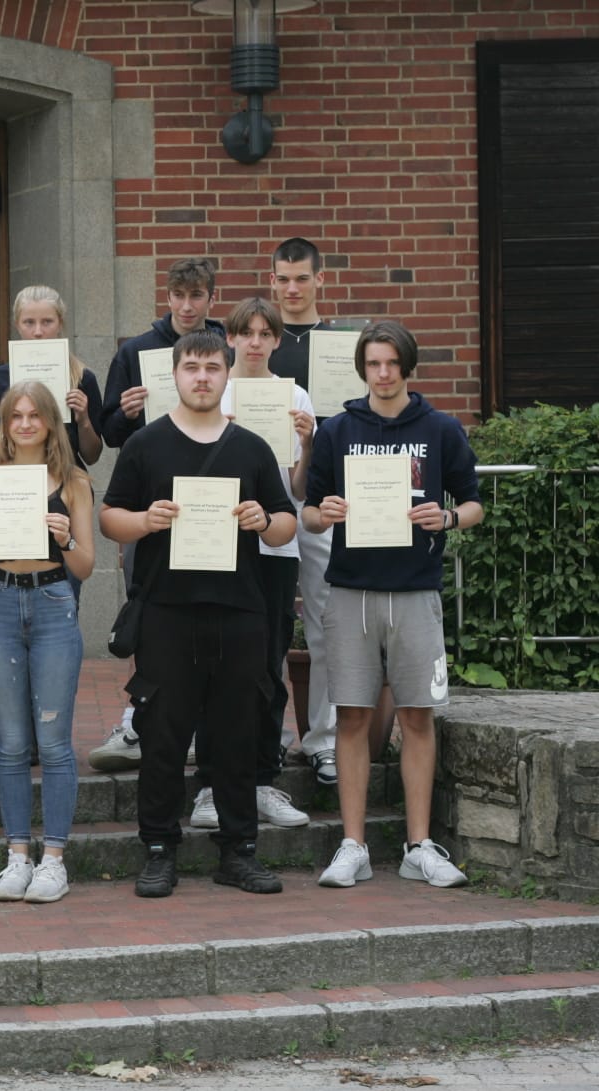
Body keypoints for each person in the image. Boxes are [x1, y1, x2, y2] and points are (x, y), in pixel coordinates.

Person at [98, 329, 297, 899]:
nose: (203, 377)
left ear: (226, 373)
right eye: (192, 367)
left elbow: (285, 524)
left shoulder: (253, 447)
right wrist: (145, 522)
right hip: (166, 610)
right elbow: (111, 515)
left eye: (213, 367)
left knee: (236, 734)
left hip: (239, 611)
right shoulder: (146, 445)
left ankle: (239, 851)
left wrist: (263, 519)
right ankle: (159, 849)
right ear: (177, 375)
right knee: (162, 734)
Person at [305, 321, 483, 890]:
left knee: (417, 716)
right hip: (351, 589)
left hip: (415, 590)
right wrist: (325, 513)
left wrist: (449, 517)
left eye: (391, 363)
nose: (383, 374)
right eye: (374, 364)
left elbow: (474, 503)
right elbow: (308, 513)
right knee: (352, 717)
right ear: (362, 368)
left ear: (407, 365)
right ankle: (352, 844)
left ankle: (418, 845)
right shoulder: (337, 430)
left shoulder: (440, 429)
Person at [89, 256, 223, 774]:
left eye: (198, 296)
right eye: (179, 296)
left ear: (212, 298)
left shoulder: (223, 351)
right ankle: (145, 713)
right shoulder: (135, 351)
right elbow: (108, 437)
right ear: (166, 298)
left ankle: (202, 717)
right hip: (151, 501)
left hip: (213, 504)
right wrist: (122, 410)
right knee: (149, 611)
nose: (187, 306)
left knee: (210, 611)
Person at [186, 297, 315, 833]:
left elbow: (301, 489)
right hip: (218, 545)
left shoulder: (297, 395)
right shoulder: (218, 390)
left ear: (278, 341)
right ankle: (212, 787)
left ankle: (263, 780)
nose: (256, 341)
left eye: (267, 333)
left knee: (266, 668)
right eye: (247, 332)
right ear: (230, 337)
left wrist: (307, 443)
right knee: (214, 668)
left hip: (275, 547)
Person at [0, 381, 95, 903]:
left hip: (52, 602)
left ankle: (55, 859)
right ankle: (18, 854)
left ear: (49, 422)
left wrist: (64, 537)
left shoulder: (72, 481)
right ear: (4, 422)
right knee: (14, 743)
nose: (24, 425)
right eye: (15, 416)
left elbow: (86, 565)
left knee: (55, 741)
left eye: (34, 416)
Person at [267, 237, 341, 786]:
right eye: (283, 279)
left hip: (321, 496)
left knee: (323, 618)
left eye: (301, 279)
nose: (292, 289)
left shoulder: (344, 345)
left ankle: (325, 740)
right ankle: (264, 739)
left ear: (320, 280)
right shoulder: (258, 344)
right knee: (264, 622)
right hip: (264, 495)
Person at [0, 285, 105, 469]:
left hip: (67, 480)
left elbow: (92, 456)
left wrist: (84, 420)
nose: (38, 332)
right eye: (29, 322)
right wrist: (5, 417)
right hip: (14, 482)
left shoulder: (81, 378)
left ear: (60, 324)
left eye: (47, 322)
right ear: (17, 324)